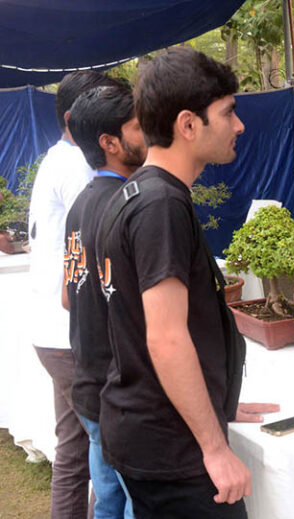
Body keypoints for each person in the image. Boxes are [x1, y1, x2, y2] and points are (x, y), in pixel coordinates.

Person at [95, 47, 278, 518]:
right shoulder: (161, 206)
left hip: (150, 428)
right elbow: (166, 338)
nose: (239, 126)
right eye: (228, 112)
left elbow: (134, 326)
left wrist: (219, 405)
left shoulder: (132, 194)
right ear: (188, 125)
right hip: (171, 450)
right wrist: (215, 448)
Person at [27, 70, 121, 518]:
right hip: (71, 335)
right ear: (74, 117)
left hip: (55, 333)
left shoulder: (57, 160)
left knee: (74, 450)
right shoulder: (80, 169)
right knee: (111, 459)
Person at [63, 84, 147, 518]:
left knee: (108, 502)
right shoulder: (129, 204)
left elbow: (67, 296)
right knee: (136, 504)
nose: (150, 131)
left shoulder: (80, 204)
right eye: (138, 125)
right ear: (110, 143)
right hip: (123, 391)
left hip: (91, 384)